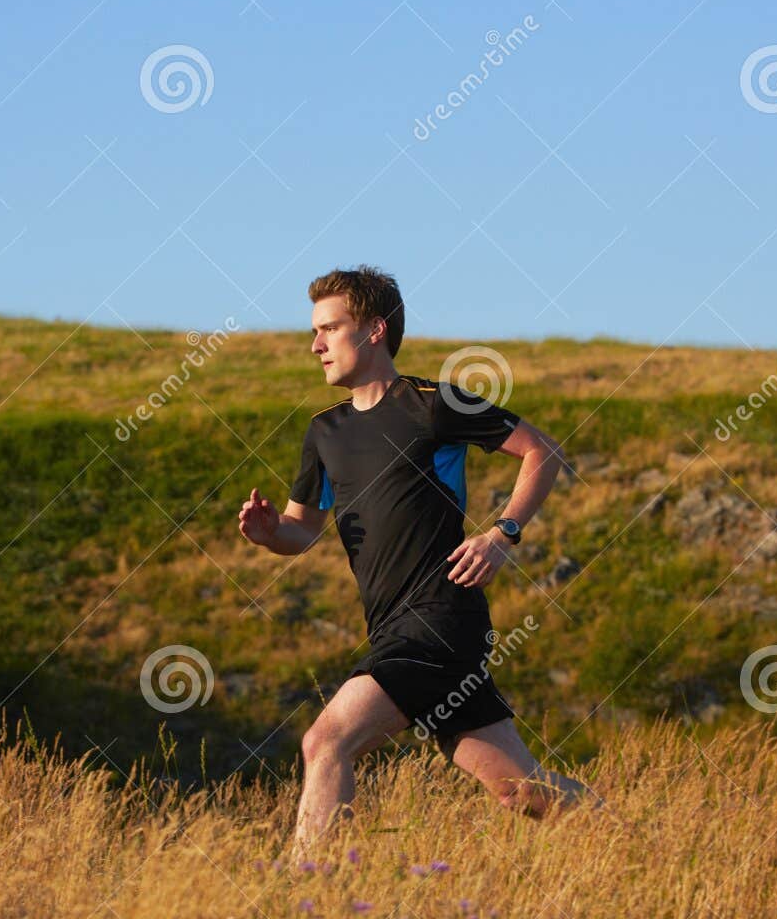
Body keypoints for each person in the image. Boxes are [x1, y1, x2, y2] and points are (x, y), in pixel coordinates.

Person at [237, 264, 588, 850]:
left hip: (442, 620)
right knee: (520, 792)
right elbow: (302, 532)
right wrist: (270, 533)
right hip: (391, 628)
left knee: (326, 742)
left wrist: (502, 535)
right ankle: (640, 838)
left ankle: (304, 902)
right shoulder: (324, 432)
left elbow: (542, 452)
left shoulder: (433, 405)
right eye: (314, 331)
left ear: (374, 330)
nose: (316, 344)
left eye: (330, 328)